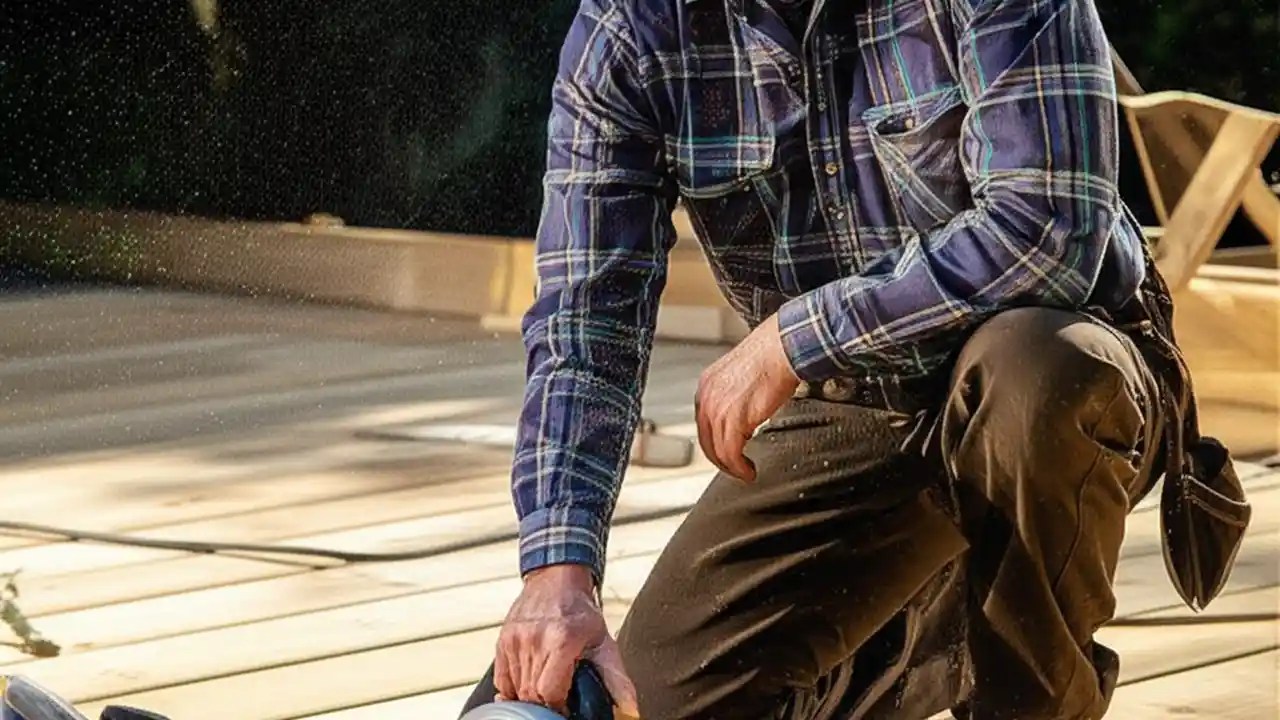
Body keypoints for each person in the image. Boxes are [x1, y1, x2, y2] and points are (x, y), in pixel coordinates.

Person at [459, 0, 1244, 718]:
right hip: (851, 403)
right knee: (650, 703)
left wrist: (796, 337)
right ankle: (936, 640)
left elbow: (1049, 229)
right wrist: (558, 572)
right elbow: (585, 321)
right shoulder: (628, 34)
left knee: (1037, 368)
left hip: (1056, 372)